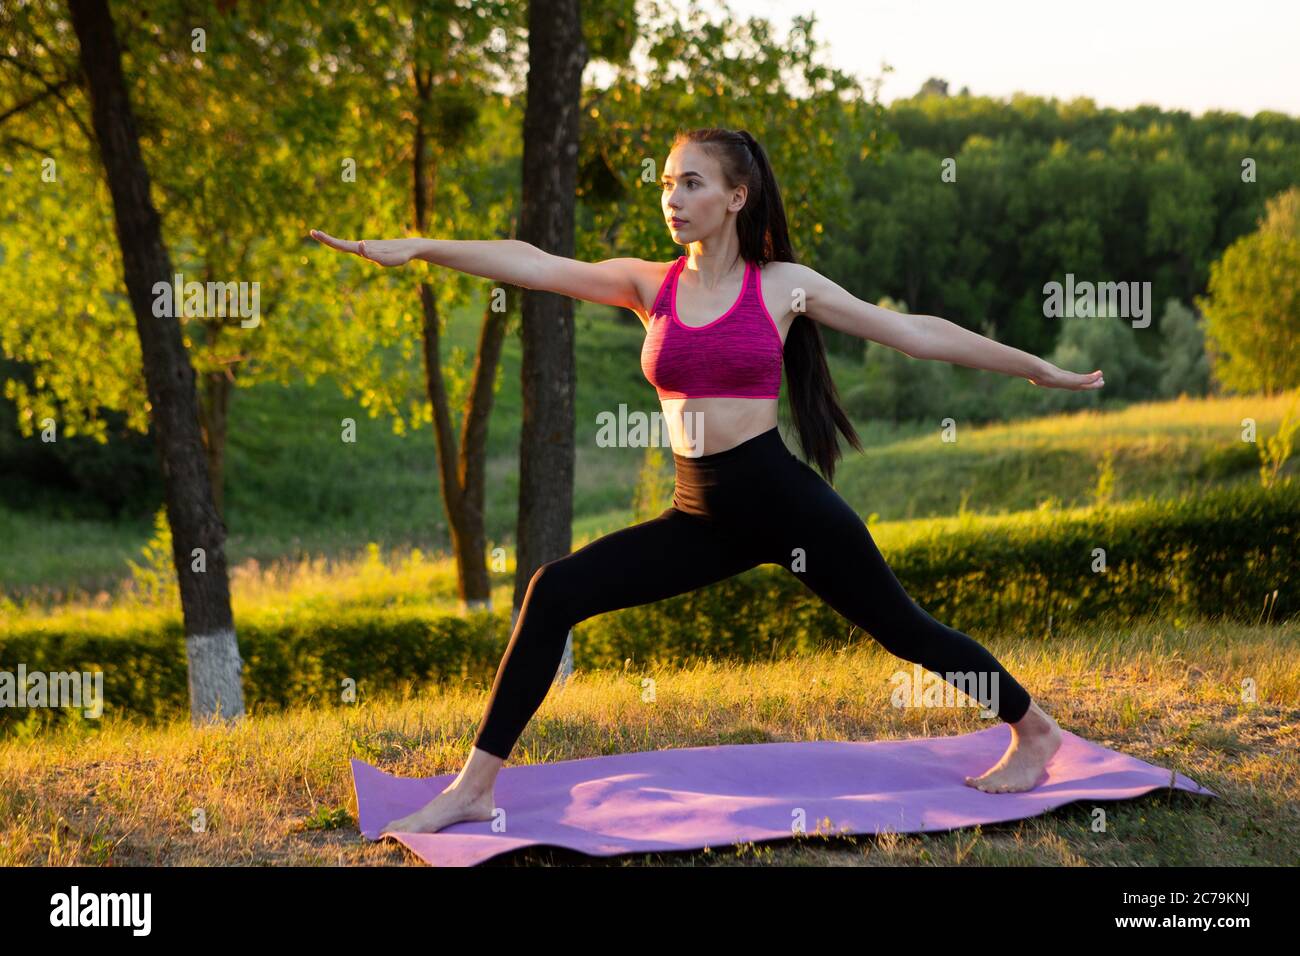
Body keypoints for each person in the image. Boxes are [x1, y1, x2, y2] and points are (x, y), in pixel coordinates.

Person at [312, 127, 1104, 836]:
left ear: (736, 195)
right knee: (554, 591)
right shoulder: (648, 285)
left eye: (690, 182)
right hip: (700, 516)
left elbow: (915, 336)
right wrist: (420, 246)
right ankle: (474, 789)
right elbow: (535, 264)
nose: (672, 198)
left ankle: (1034, 729)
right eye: (665, 183)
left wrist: (1038, 368)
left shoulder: (784, 284)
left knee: (906, 630)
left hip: (785, 507)